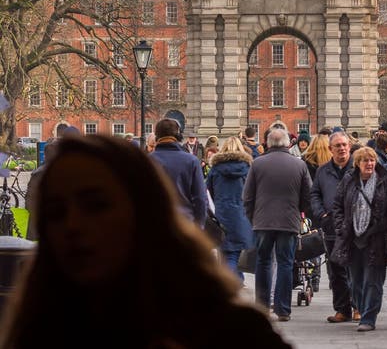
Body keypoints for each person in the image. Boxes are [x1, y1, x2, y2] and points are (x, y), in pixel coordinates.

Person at [0, 134, 292, 349]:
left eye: (96, 204)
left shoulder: (231, 332)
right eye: (55, 211)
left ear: (143, 208)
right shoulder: (38, 326)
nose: (73, 224)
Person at [243, 124, 312, 323]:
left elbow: (247, 197)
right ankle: (283, 309)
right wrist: (299, 214)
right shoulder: (299, 165)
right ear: (287, 143)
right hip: (288, 221)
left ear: (268, 143)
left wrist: (253, 218)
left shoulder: (257, 164)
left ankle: (263, 307)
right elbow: (307, 196)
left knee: (263, 263)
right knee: (285, 263)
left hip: (262, 221)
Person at [331, 145, 387, 332]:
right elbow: (337, 205)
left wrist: (383, 225)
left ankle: (369, 318)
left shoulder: (385, 181)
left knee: (373, 281)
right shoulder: (348, 180)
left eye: (372, 160)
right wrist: (341, 226)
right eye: (365, 160)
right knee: (355, 281)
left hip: (376, 238)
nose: (369, 164)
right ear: (358, 163)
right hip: (352, 237)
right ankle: (361, 309)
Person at [310, 130, 358, 323]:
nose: (342, 149)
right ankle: (342, 309)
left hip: (355, 227)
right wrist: (321, 213)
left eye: (344, 145)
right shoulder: (323, 171)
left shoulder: (357, 167)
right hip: (331, 227)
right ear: (330, 149)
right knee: (336, 270)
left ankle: (358, 306)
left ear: (349, 147)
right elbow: (314, 194)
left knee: (355, 269)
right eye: (337, 146)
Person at [206, 136, 255, 280]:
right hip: (242, 214)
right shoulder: (247, 168)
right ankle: (235, 281)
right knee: (236, 252)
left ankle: (232, 281)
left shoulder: (215, 169)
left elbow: (209, 191)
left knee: (226, 252)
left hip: (221, 214)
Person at [151, 117, 208, 228]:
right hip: (185, 225)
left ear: (157, 136)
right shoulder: (191, 161)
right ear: (179, 136)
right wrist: (199, 226)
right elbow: (200, 198)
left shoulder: (145, 161)